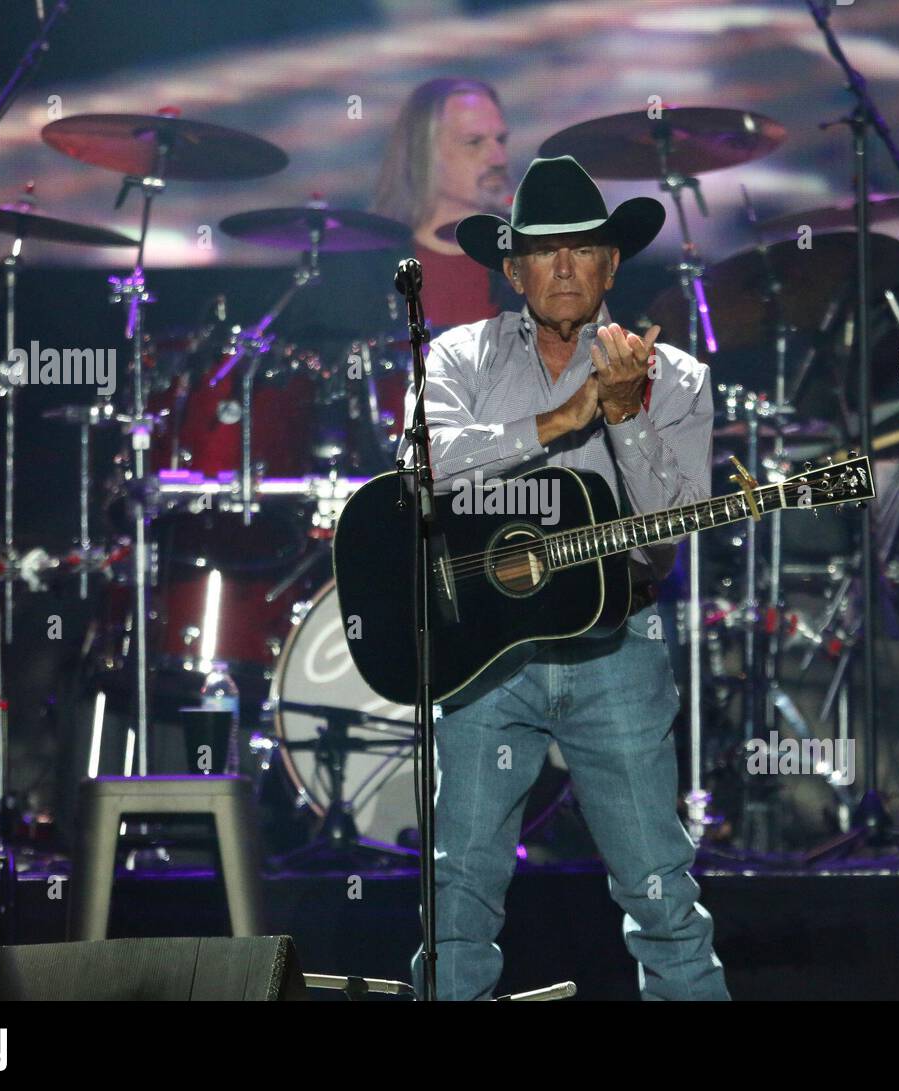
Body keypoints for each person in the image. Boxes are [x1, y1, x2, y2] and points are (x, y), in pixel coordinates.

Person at [405, 155, 730, 1001]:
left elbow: (668, 533)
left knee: (661, 891)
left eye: (582, 249)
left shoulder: (677, 377)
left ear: (611, 263)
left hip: (615, 651)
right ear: (511, 268)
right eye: (542, 252)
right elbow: (425, 471)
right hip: (488, 653)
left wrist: (621, 415)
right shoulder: (459, 358)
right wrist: (562, 416)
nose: (563, 268)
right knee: (459, 893)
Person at [374, 77, 513, 328]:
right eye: (474, 142)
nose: (498, 158)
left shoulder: (524, 254)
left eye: (500, 140)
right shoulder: (371, 266)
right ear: (424, 153)